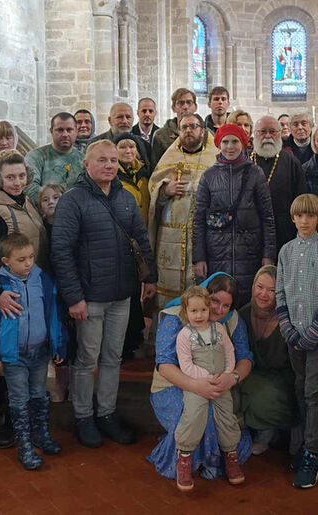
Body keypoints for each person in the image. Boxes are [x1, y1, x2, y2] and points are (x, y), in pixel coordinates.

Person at [50, 139, 158, 448]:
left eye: (113, 160)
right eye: (102, 160)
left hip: (122, 294)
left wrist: (149, 274)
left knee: (113, 357)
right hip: (89, 296)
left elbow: (140, 237)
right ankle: (84, 416)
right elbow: (61, 252)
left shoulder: (124, 198)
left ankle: (106, 414)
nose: (109, 165)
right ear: (87, 164)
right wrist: (73, 297)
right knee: (86, 359)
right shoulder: (73, 201)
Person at [0, 150, 50, 447]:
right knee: (0, 360)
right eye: (10, 177)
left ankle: (21, 417)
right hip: (3, 297)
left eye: (21, 176)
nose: (17, 182)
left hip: (26, 293)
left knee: (20, 357)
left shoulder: (22, 201)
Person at [148, 273, 254, 482]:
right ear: (206, 295)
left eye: (226, 305)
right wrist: (197, 385)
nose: (219, 310)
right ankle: (184, 460)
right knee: (195, 416)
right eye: (214, 301)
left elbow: (244, 358)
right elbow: (165, 365)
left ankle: (225, 459)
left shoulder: (229, 321)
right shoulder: (176, 316)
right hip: (174, 385)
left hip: (218, 385)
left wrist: (231, 377)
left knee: (221, 416)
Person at [0, 233, 67, 470]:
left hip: (40, 353)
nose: (28, 263)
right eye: (21, 259)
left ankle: (41, 435)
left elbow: (55, 316)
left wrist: (58, 344)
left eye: (31, 257)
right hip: (14, 356)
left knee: (40, 395)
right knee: (20, 400)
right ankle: (25, 445)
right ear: (6, 261)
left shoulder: (43, 279)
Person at [277, 194, 318, 488]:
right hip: (293, 336)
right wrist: (288, 328)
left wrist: (314, 331)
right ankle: (300, 443)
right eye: (299, 216)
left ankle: (312, 452)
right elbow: (280, 292)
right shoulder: (286, 251)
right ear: (293, 218)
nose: (304, 221)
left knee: (314, 391)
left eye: (310, 216)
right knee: (298, 386)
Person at [193, 124, 276, 306]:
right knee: (219, 303)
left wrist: (268, 255)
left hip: (249, 252)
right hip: (217, 253)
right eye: (225, 141)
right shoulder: (208, 176)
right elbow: (198, 219)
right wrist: (199, 258)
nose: (230, 146)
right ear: (218, 144)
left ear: (244, 143)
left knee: (247, 305)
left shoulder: (255, 173)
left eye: (235, 141)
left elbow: (267, 218)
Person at [172, 285, 245, 490]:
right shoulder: (184, 336)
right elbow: (185, 365)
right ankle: (184, 458)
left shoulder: (219, 329)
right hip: (197, 384)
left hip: (221, 382)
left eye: (203, 310)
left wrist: (227, 374)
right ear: (185, 312)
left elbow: (230, 353)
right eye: (193, 311)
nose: (198, 315)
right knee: (194, 414)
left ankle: (230, 455)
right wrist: (205, 378)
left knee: (227, 417)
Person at [148, 113, 219, 307]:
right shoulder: (169, 158)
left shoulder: (214, 158)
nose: (188, 131)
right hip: (170, 235)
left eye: (193, 126)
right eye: (184, 127)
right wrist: (164, 190)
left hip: (203, 234)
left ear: (202, 131)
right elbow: (153, 186)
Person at [236, 266, 297, 455]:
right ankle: (260, 431)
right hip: (251, 374)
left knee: (270, 396)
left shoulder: (290, 319)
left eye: (272, 290)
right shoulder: (242, 315)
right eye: (260, 287)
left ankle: (275, 431)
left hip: (284, 378)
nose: (263, 294)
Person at [114, 131, 152, 359]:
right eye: (122, 148)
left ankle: (136, 338)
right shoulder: (113, 175)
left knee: (140, 290)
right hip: (121, 241)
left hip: (143, 235)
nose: (128, 151)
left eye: (131, 147)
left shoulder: (145, 173)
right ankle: (125, 341)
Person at [251, 116, 308, 256]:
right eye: (262, 131)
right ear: (254, 134)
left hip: (284, 233)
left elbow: (301, 201)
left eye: (273, 131)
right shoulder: (246, 162)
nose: (268, 136)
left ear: (280, 133)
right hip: (252, 233)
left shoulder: (291, 163)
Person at [26, 112, 84, 200]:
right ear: (51, 131)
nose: (65, 134)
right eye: (60, 130)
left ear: (76, 131)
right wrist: (57, 201)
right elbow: (30, 187)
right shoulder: (35, 157)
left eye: (69, 130)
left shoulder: (83, 159)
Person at [153, 88, 200, 166]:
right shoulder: (161, 135)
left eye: (189, 102)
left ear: (195, 107)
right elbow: (156, 167)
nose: (185, 107)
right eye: (181, 103)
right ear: (173, 108)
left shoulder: (206, 133)